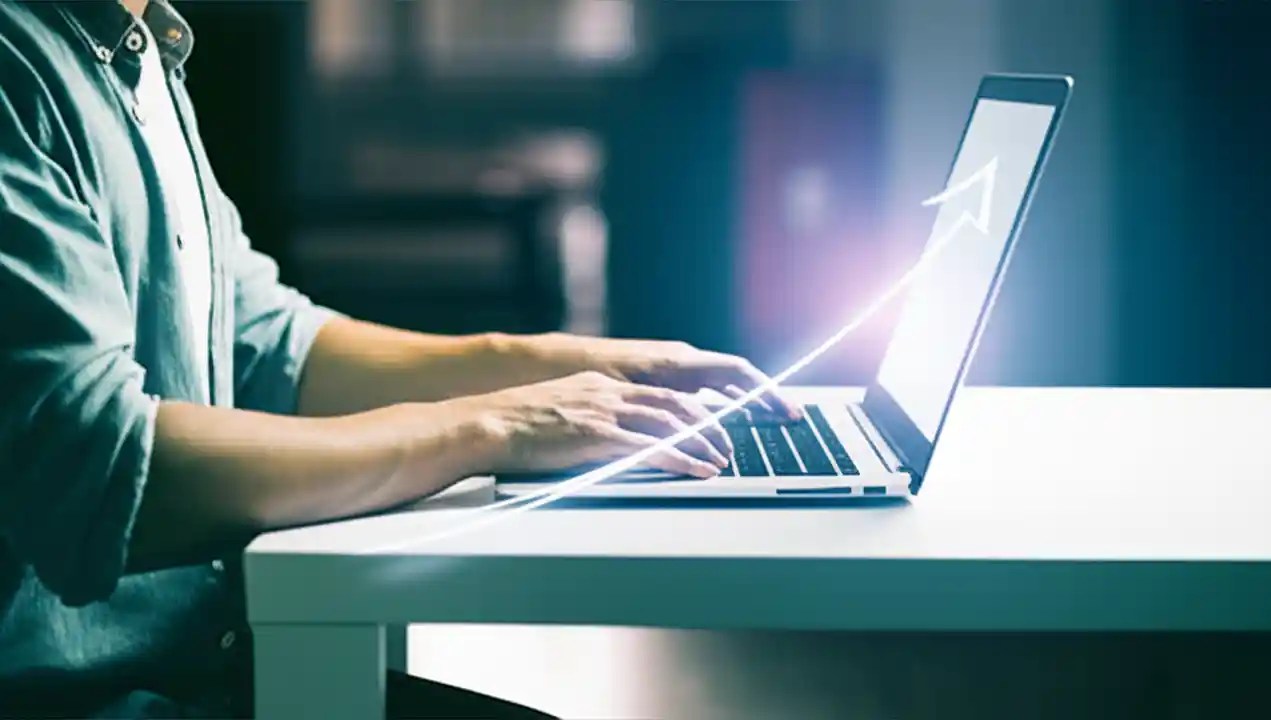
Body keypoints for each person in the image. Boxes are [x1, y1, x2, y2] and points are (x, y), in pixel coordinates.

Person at [0, 0, 799, 717]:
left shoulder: (139, 51)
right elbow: (101, 472)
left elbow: (268, 346)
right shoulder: (14, 64)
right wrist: (490, 427)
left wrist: (555, 364)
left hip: (206, 671)